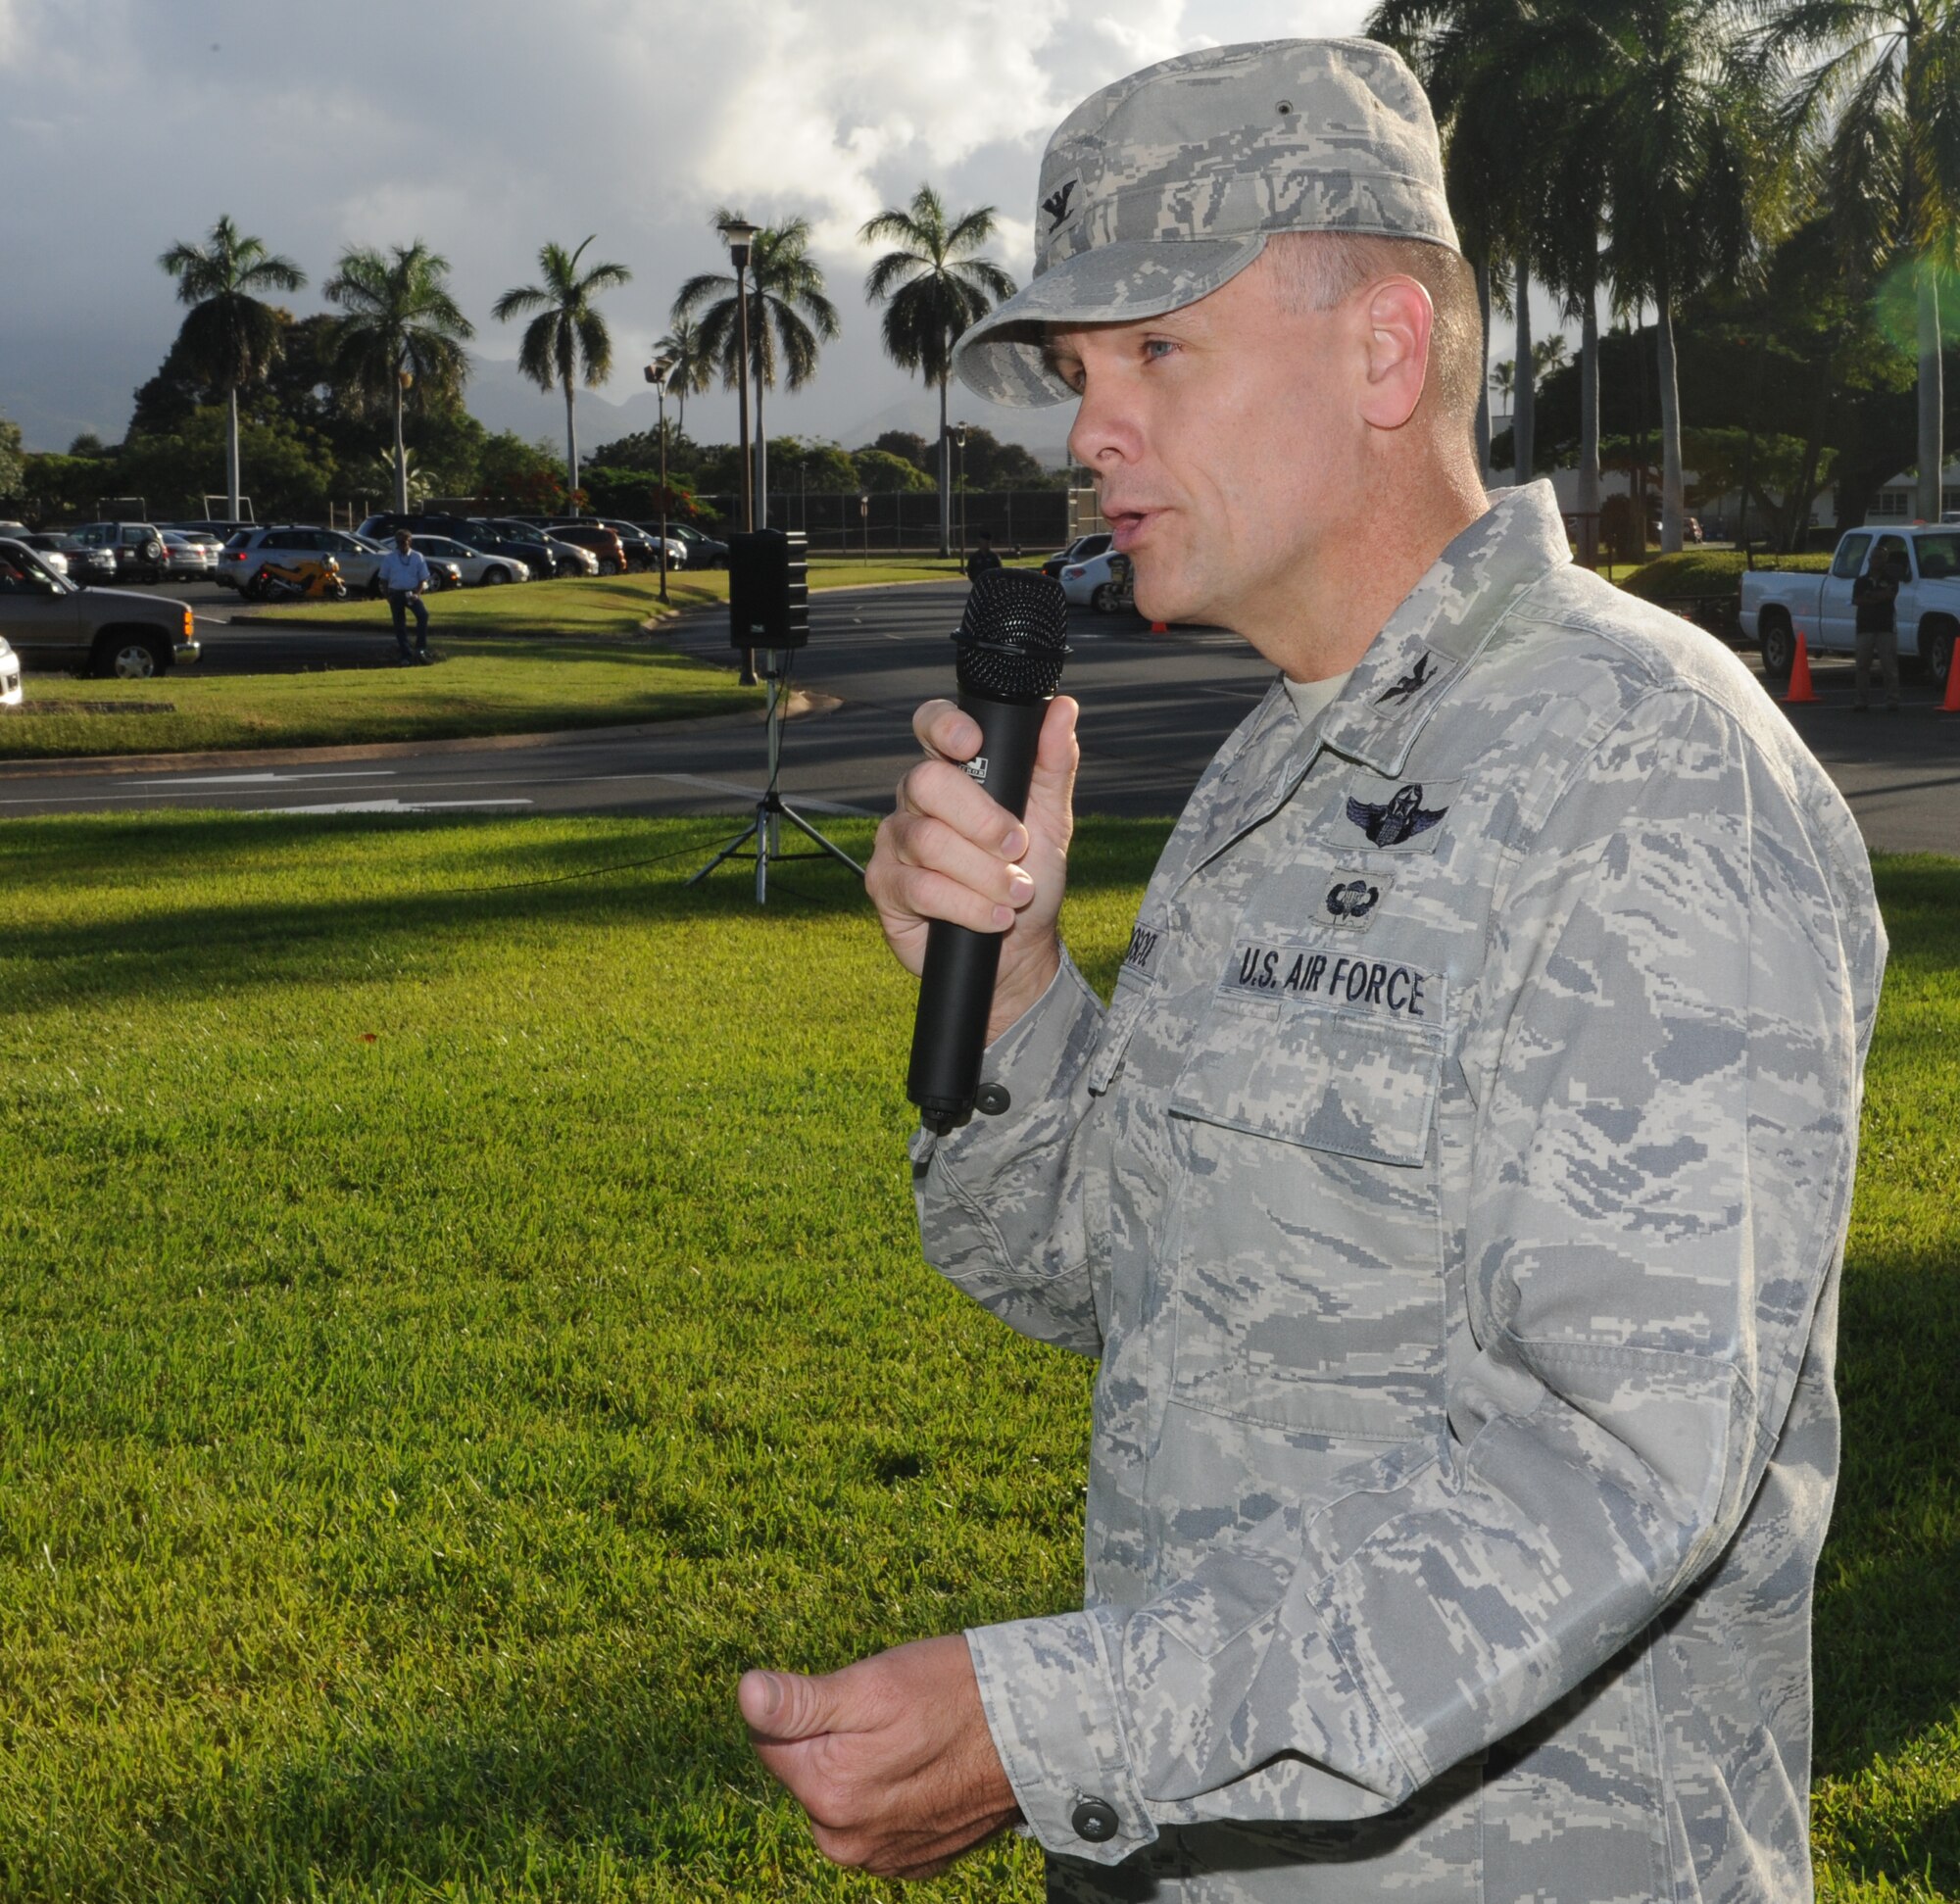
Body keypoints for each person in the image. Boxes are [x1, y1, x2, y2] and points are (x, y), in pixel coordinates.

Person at [739, 40, 1887, 1902]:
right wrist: (1017, 988)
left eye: (1157, 353)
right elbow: (1109, 1268)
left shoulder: (1648, 771)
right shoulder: (1284, 756)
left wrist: (1058, 1725)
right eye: (1077, 377)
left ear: (1384, 351)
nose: (1090, 429)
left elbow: (1609, 1468)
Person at [1851, 542, 1905, 711]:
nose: (1877, 561)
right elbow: (1857, 600)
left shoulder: (1891, 580)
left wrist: (1870, 595)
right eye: (1874, 557)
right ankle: (1861, 700)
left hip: (1886, 628)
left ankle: (1893, 700)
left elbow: (1890, 595)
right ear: (1869, 560)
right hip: (1864, 628)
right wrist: (1877, 597)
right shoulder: (1861, 581)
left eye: (1881, 558)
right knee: (1862, 666)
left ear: (1886, 560)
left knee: (1889, 666)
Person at [376, 527, 432, 665]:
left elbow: (423, 578)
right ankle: (405, 654)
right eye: (399, 542)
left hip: (411, 592)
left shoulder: (417, 557)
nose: (402, 544)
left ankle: (420, 648)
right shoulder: (390, 558)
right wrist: (387, 596)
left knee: (423, 615)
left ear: (410, 541)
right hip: (396, 593)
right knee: (399, 624)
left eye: (404, 541)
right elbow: (383, 579)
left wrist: (417, 593)